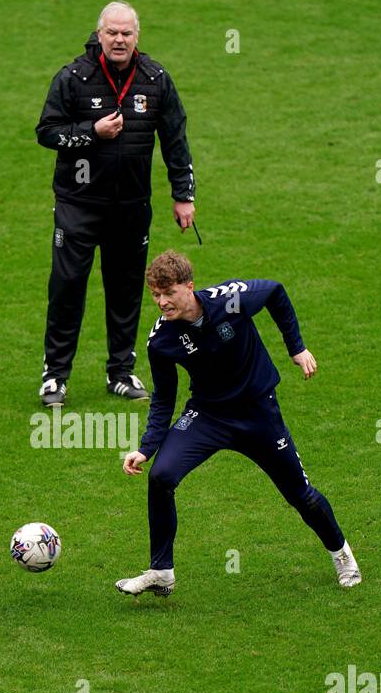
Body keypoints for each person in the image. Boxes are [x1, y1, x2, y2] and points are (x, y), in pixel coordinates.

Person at [116, 251, 361, 595]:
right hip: (208, 416)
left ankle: (341, 553)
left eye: (168, 292)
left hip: (258, 413)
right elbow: (163, 399)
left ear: (189, 286)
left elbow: (275, 291)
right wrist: (146, 448)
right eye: (155, 294)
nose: (162, 302)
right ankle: (161, 571)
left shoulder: (230, 299)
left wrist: (297, 348)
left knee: (298, 493)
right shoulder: (162, 340)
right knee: (160, 476)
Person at [35, 0, 196, 407]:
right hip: (78, 203)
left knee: (125, 289)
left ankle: (121, 372)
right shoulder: (74, 77)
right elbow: (48, 132)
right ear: (100, 35)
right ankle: (55, 376)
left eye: (126, 33)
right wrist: (92, 132)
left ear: (136, 36)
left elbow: (175, 138)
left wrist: (183, 195)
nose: (119, 39)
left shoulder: (155, 79)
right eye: (112, 33)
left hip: (131, 205)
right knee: (68, 286)